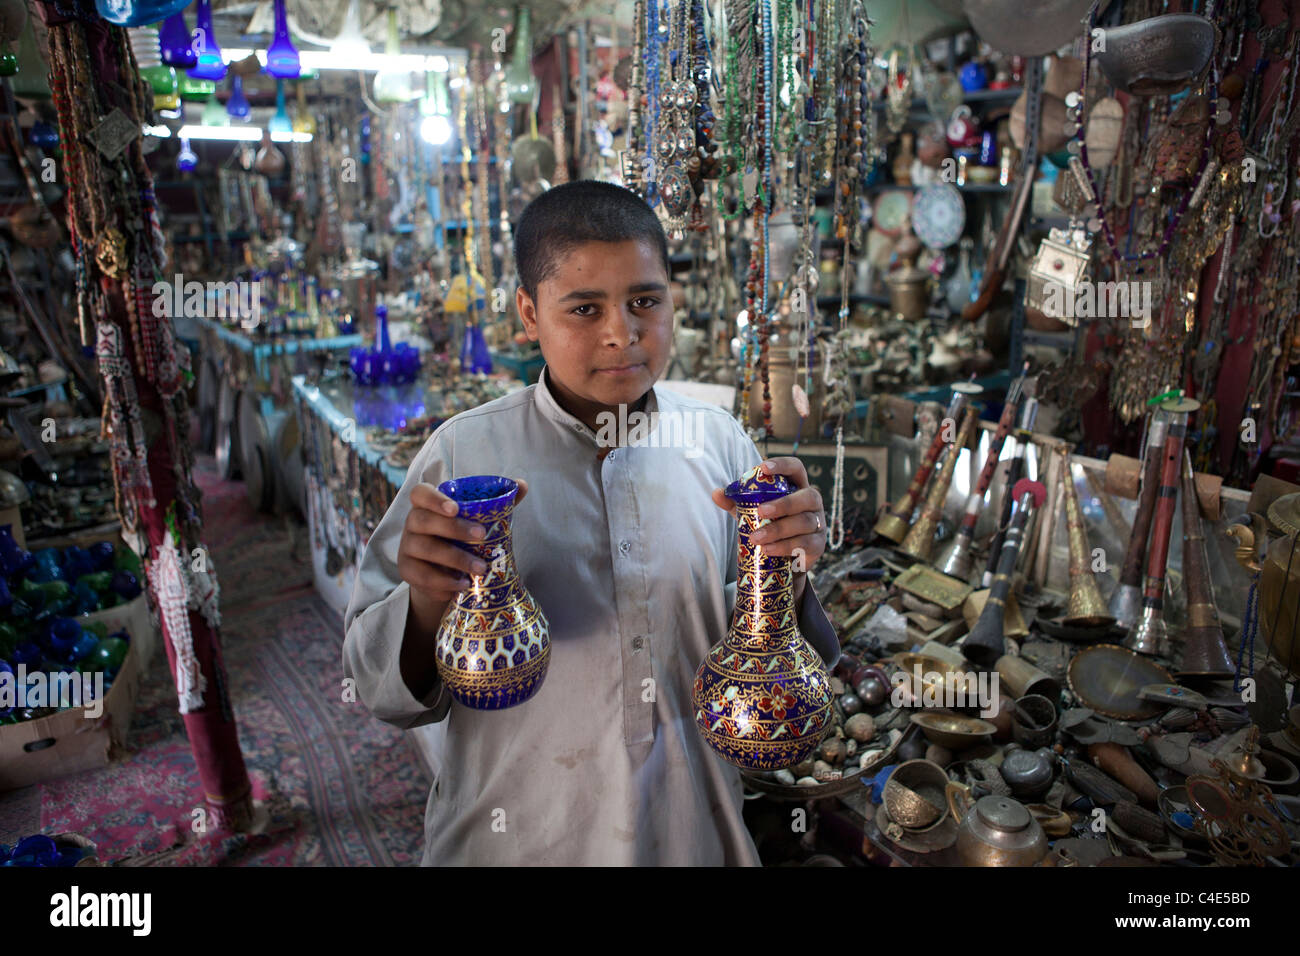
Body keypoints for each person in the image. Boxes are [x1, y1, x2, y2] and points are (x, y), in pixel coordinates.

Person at [343, 180, 839, 865]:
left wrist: (791, 565)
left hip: (690, 830)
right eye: (584, 308)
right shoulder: (464, 455)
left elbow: (760, 642)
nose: (621, 332)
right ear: (528, 313)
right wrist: (428, 603)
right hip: (519, 836)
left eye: (645, 300)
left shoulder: (719, 446)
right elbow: (378, 690)